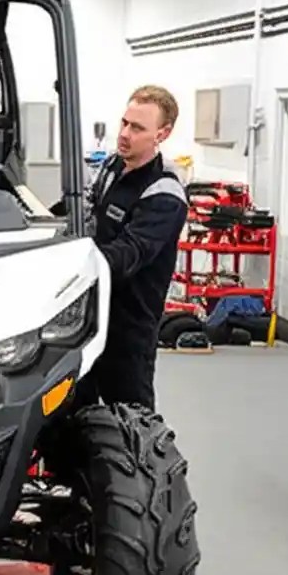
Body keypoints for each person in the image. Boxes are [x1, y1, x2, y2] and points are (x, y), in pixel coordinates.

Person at [73, 85, 189, 411]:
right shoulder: (112, 167)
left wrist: (71, 266)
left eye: (137, 128)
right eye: (124, 123)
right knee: (75, 414)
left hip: (129, 330)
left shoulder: (164, 193)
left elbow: (129, 253)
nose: (124, 134)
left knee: (131, 421)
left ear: (162, 134)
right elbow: (85, 216)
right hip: (89, 318)